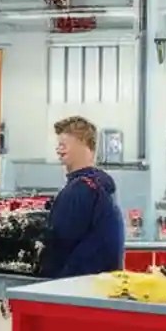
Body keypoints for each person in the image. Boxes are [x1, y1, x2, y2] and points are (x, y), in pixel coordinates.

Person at [38, 116, 122, 278]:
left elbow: (59, 243)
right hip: (102, 281)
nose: (58, 150)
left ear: (84, 144)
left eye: (63, 145)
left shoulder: (81, 189)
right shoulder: (101, 185)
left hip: (75, 282)